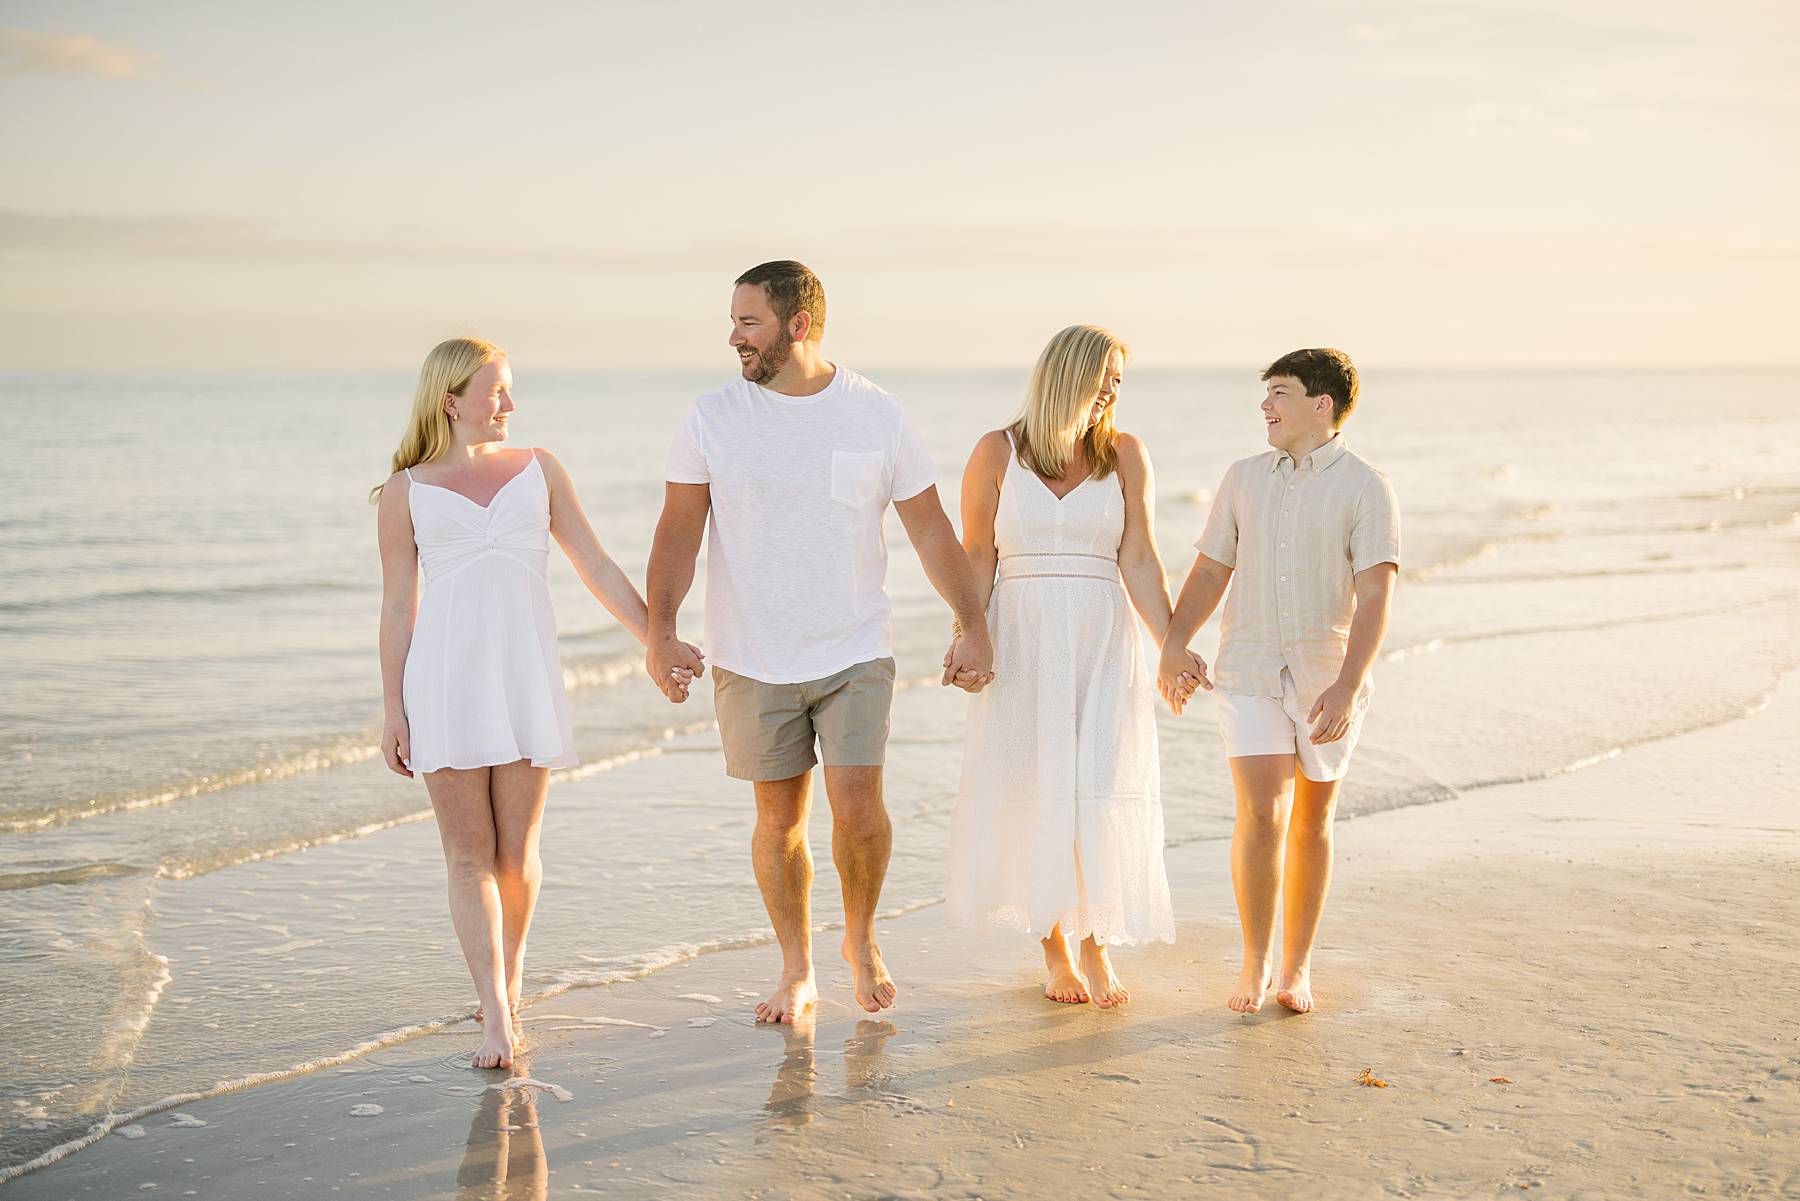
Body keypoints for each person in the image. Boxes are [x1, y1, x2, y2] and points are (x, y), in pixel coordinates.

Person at [645, 261, 993, 1025]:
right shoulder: (712, 418)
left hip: (854, 647)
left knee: (860, 806)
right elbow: (678, 530)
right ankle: (796, 966)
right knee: (780, 821)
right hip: (752, 653)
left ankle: (861, 938)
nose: (733, 336)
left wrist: (973, 622)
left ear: (798, 326)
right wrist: (660, 630)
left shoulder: (876, 413)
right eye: (734, 321)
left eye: (748, 322)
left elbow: (930, 529)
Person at [374, 337, 694, 1068]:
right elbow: (398, 606)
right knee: (468, 856)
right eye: (496, 392)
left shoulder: (539, 470)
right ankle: (493, 1011)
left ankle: (509, 984)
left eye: (511, 389)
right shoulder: (405, 491)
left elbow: (599, 566)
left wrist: (658, 639)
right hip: (444, 684)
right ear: (450, 399)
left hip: (524, 678)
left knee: (516, 855)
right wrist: (393, 708)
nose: (510, 405)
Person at [1158, 348, 1400, 1015]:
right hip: (1250, 667)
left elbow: (1375, 595)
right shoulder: (1242, 478)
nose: (1265, 406)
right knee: (1261, 812)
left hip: (1328, 673)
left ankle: (1298, 968)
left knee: (1313, 820)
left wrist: (1350, 684)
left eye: (1279, 393)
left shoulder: (1365, 485)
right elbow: (1209, 572)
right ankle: (1256, 958)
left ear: (1320, 405)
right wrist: (1175, 642)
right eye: (1266, 394)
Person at [945, 325, 1176, 1008]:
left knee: (1099, 787)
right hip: (1021, 634)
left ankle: (1098, 944)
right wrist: (969, 633)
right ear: (1067, 373)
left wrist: (1172, 643)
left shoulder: (1125, 454)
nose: (1112, 390)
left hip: (1103, 637)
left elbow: (1139, 556)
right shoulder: (996, 451)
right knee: (1038, 785)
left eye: (1119, 381)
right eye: (1105, 374)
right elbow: (976, 554)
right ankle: (1054, 948)